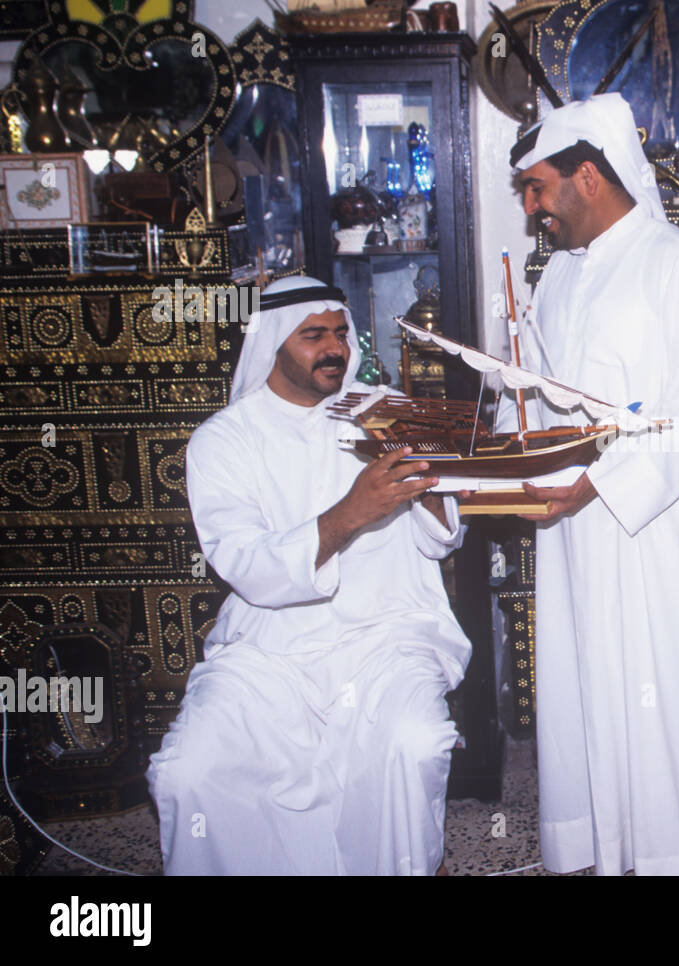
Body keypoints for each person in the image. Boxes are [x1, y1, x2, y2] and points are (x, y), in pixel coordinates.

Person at [147, 275, 470, 875]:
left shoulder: (384, 415)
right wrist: (350, 514)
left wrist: (431, 486)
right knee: (188, 771)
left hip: (388, 635)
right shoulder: (223, 442)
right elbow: (248, 566)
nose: (335, 349)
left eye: (342, 335)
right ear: (271, 341)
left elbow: (443, 539)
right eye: (313, 335)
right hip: (269, 649)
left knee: (414, 742)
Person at [505, 92, 679, 875]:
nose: (532, 207)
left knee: (654, 696)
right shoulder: (559, 276)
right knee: (583, 693)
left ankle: (668, 857)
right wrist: (506, 442)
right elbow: (534, 392)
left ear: (591, 176)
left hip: (648, 534)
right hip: (570, 526)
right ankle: (599, 848)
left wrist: (595, 487)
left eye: (538, 187)